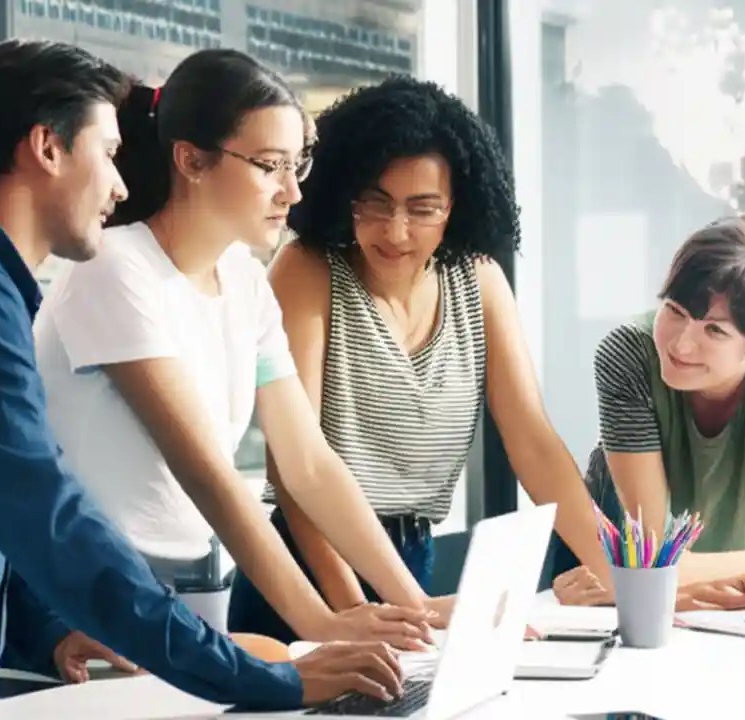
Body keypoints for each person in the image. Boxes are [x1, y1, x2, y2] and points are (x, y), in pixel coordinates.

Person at [0, 39, 402, 719]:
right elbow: (48, 515)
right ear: (47, 147)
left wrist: (48, 626)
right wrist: (268, 678)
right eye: (109, 153)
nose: (123, 185)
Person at [30, 47, 443, 654]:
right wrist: (321, 624)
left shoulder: (243, 279)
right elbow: (208, 473)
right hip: (82, 596)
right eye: (271, 166)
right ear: (191, 160)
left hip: (186, 584)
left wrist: (417, 606)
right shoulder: (115, 270)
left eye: (297, 165)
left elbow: (308, 462)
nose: (293, 192)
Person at [224, 75, 622, 642]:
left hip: (411, 555)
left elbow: (534, 444)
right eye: (375, 203)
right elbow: (295, 472)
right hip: (308, 568)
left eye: (423, 208)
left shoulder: (478, 280)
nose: (396, 230)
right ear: (345, 193)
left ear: (456, 206)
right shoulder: (306, 269)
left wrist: (627, 578)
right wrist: (346, 613)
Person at [549, 210, 745, 606]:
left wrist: (658, 578)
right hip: (607, 565)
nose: (680, 345)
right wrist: (651, 579)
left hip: (739, 578)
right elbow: (648, 554)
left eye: (715, 330)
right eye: (675, 311)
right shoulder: (628, 354)